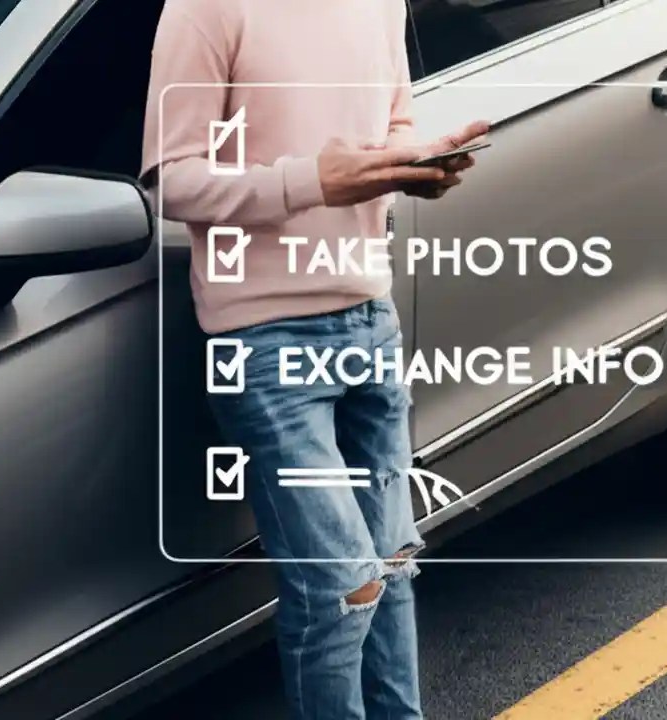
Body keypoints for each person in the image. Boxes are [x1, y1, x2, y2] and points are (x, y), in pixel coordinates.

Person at [141, 1, 489, 718]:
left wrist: (413, 165)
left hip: (371, 314)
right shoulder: (206, 8)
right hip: (263, 339)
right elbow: (169, 180)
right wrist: (312, 182)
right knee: (342, 590)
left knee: (391, 568)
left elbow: (391, 125)